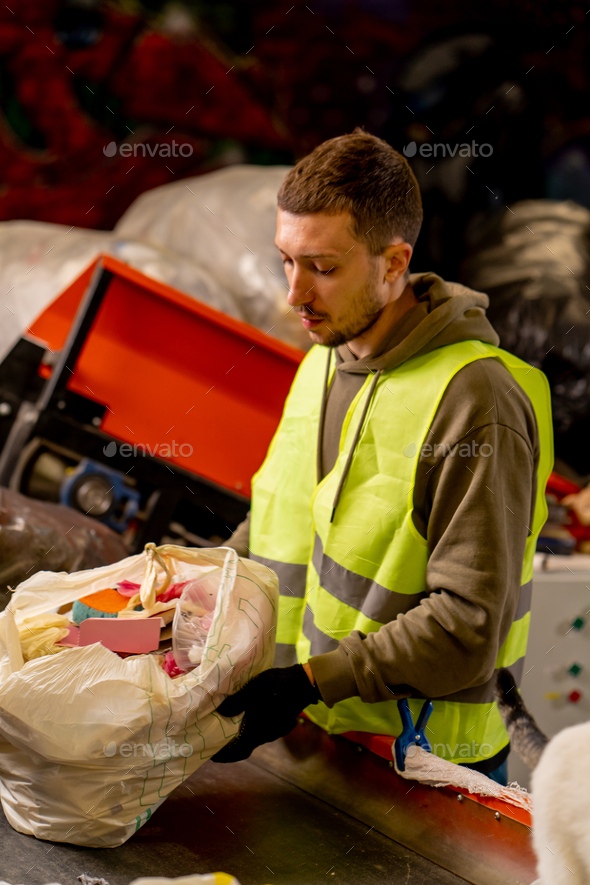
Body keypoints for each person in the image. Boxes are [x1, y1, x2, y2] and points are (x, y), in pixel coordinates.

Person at [212, 130, 553, 786]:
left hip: (426, 771)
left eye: (323, 267)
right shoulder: (324, 361)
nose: (294, 293)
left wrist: (311, 681)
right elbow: (280, 525)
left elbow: (468, 624)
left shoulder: (477, 400)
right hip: (320, 738)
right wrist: (191, 594)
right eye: (286, 260)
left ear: (394, 263)